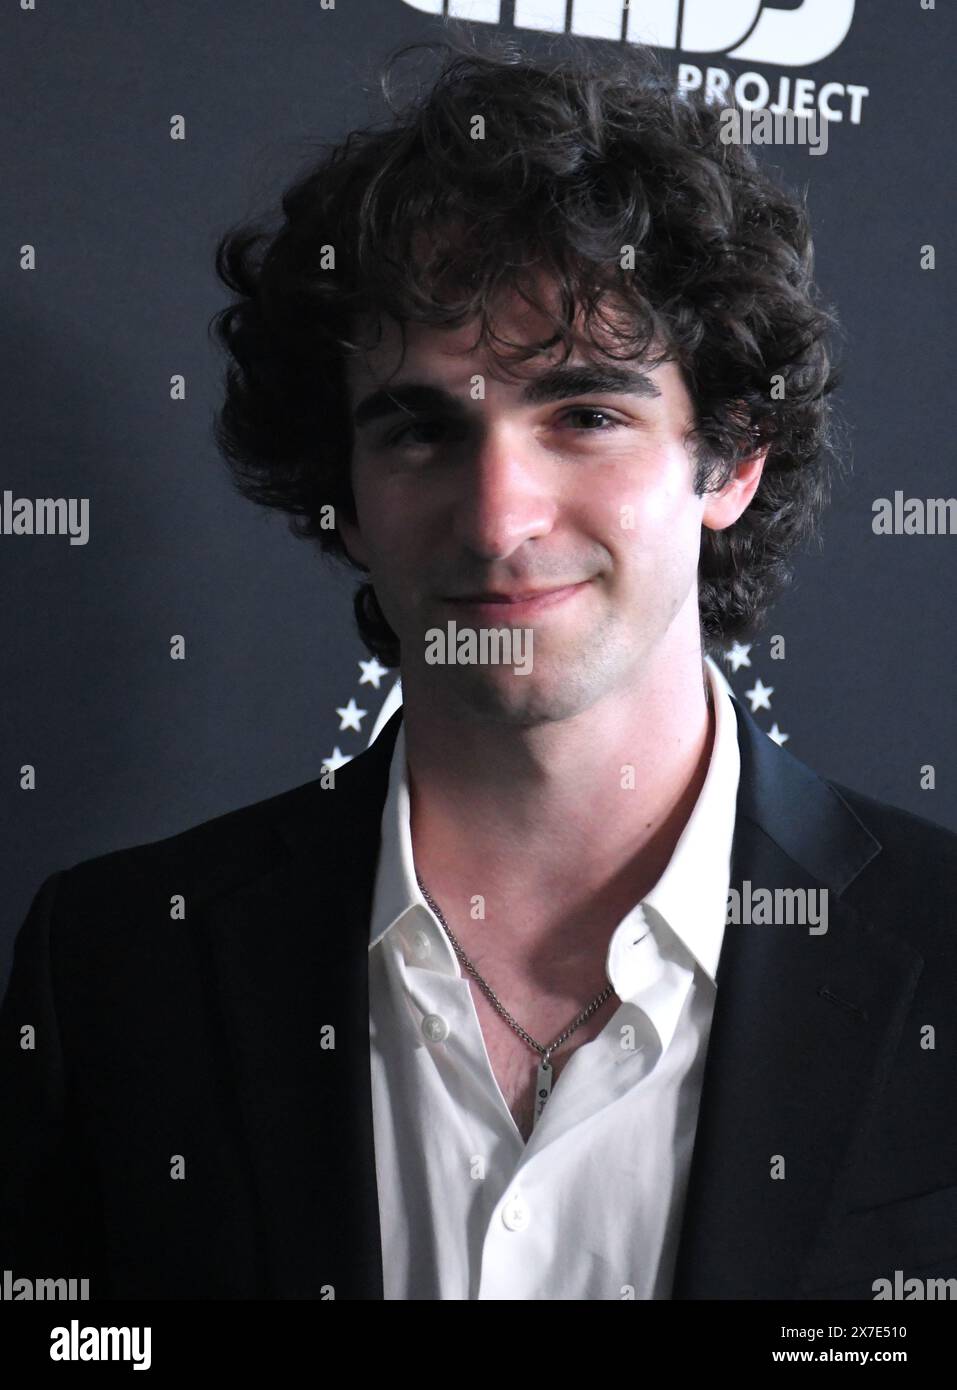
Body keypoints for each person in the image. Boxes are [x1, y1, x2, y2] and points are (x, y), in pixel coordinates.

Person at [2, 29, 957, 1302]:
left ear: (730, 458)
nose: (500, 515)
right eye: (420, 428)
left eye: (586, 413)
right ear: (338, 491)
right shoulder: (117, 965)